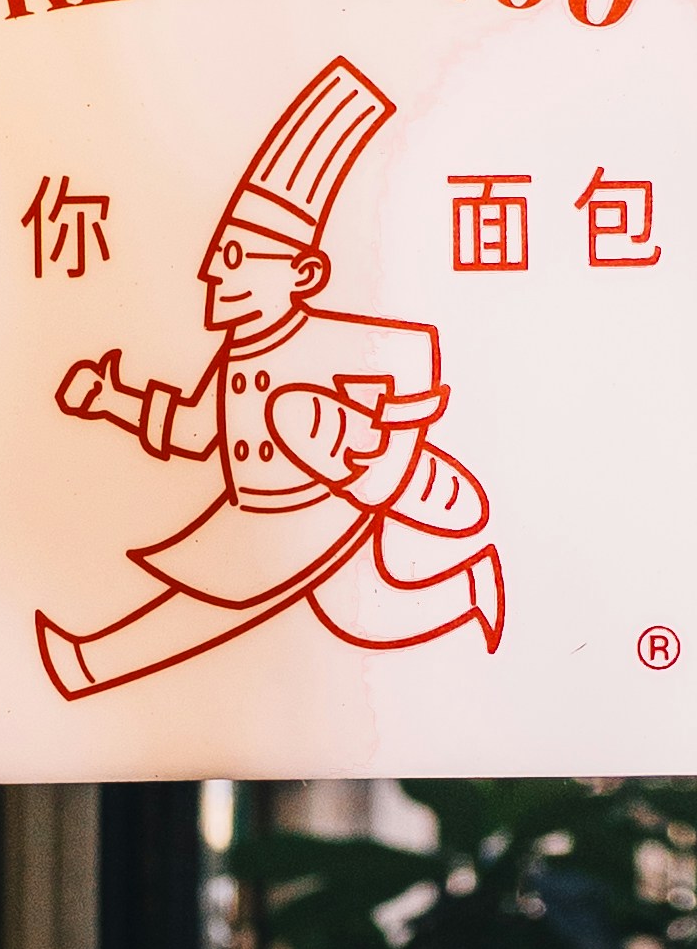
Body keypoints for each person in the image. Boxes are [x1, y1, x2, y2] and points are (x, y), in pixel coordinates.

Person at [33, 59, 504, 698]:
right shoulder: (238, 353)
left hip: (315, 505)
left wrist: (378, 445)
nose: (213, 276)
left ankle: (90, 663)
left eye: (233, 258)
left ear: (305, 274)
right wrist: (115, 399)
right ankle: (468, 587)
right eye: (215, 259)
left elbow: (413, 361)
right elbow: (200, 430)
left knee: (222, 599)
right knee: (354, 613)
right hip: (255, 507)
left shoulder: (336, 338)